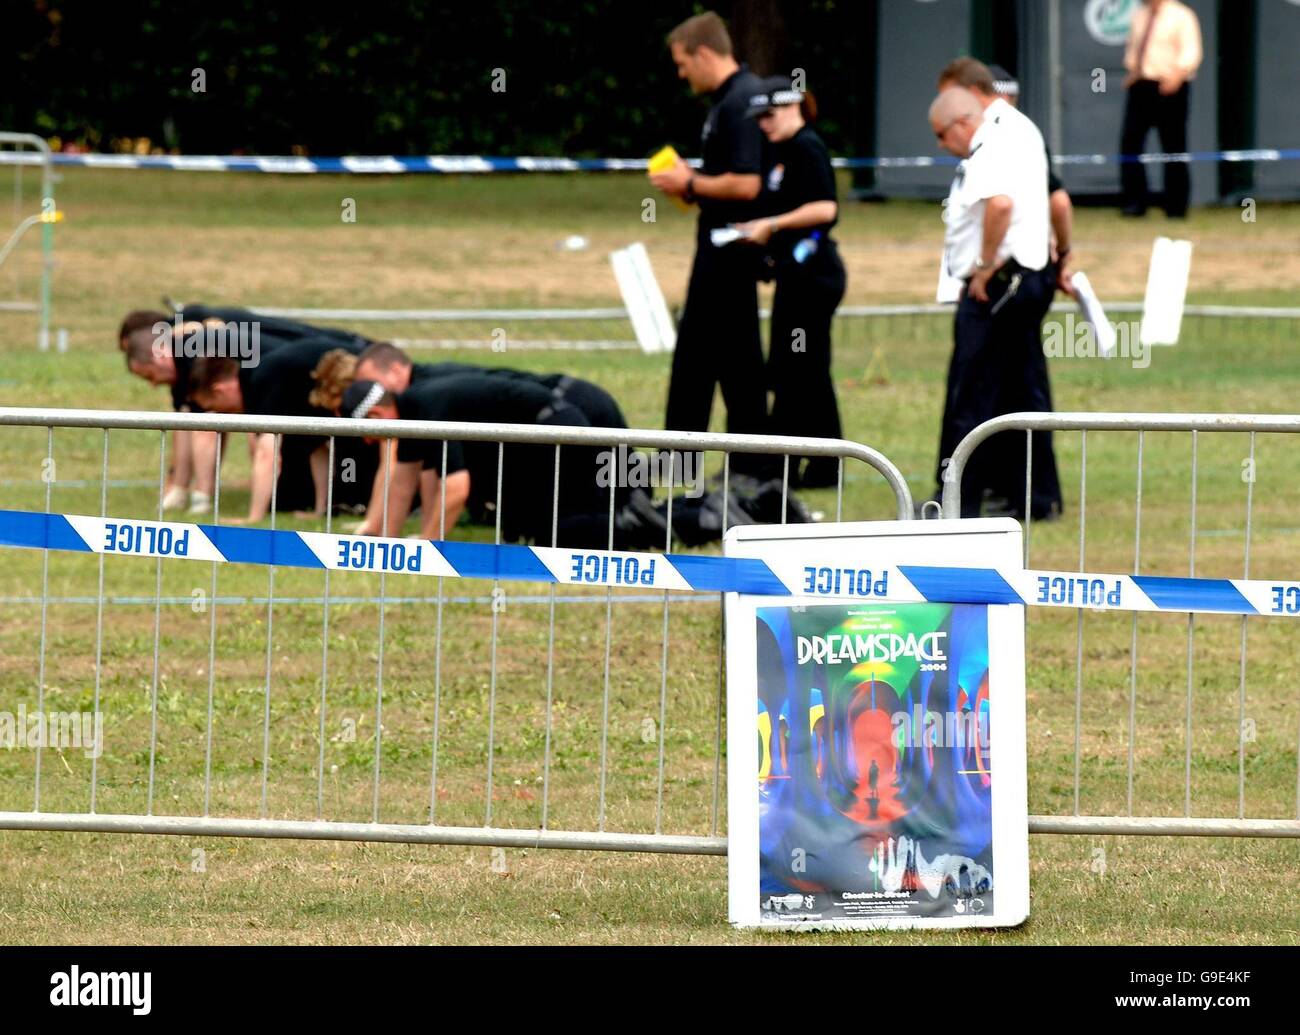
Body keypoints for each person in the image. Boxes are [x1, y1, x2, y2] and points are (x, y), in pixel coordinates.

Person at [338, 376, 739, 549]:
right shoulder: (412, 411)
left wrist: (427, 545)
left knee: (556, 534)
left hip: (556, 430)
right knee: (521, 532)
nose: (374, 445)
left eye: (368, 436)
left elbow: (456, 487)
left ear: (376, 417)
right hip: (534, 445)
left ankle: (699, 517)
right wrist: (385, 543)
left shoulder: (424, 409)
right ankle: (676, 513)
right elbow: (407, 483)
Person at [936, 59, 1064, 520]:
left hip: (1002, 282)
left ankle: (957, 502)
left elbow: (1002, 204)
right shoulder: (1025, 128)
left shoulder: (991, 137)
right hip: (1033, 273)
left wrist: (984, 266)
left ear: (967, 103)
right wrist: (1062, 254)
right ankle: (1036, 496)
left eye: (941, 131)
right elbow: (1055, 199)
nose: (942, 145)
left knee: (972, 390)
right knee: (1023, 389)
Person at [648, 11, 770, 476]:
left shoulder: (741, 100)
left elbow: (747, 184)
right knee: (705, 361)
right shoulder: (726, 101)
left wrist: (692, 183)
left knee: (726, 364)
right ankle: (691, 464)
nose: (681, 74)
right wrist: (690, 185)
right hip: (718, 249)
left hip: (731, 254)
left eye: (682, 63)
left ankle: (748, 466)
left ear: (703, 54)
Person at [733, 76, 846, 489]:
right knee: (801, 369)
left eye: (769, 114)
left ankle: (794, 467)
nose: (763, 124)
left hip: (814, 276)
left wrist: (772, 224)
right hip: (794, 276)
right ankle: (820, 465)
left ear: (792, 106)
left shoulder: (806, 147)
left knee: (799, 369)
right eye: (758, 117)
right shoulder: (779, 150)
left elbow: (825, 207)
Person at [188, 338, 373, 523]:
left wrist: (254, 517)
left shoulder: (261, 382)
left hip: (366, 381)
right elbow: (318, 445)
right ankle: (322, 508)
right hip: (350, 372)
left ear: (220, 390)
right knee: (315, 442)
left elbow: (267, 456)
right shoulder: (272, 378)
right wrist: (319, 512)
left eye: (214, 406)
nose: (220, 413)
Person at [1119, 0, 1203, 218]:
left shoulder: (1182, 15)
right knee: (1131, 143)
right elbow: (1134, 47)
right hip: (1141, 85)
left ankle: (1176, 206)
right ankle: (1135, 203)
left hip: (1170, 85)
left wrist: (1177, 77)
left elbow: (1191, 51)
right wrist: (1133, 72)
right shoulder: (1139, 15)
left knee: (1173, 146)